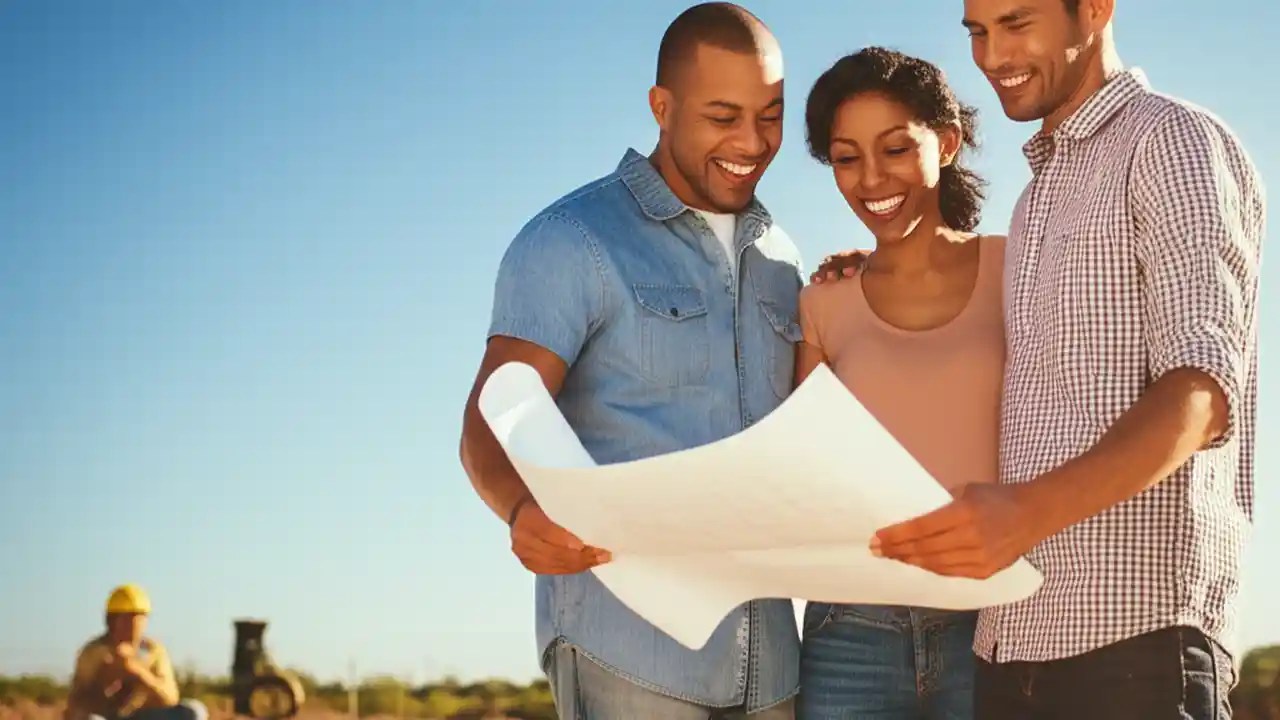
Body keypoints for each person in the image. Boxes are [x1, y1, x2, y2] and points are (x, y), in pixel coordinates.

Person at [809, 1, 1263, 717]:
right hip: (1015, 647)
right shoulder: (1036, 200)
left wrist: (1025, 513)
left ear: (1095, 9)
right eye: (978, 32)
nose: (992, 57)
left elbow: (1204, 390)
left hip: (1135, 643)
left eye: (1017, 24)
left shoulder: (1169, 140)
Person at [458, 3, 804, 718]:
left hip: (771, 666)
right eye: (723, 116)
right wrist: (521, 509)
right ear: (661, 107)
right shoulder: (572, 239)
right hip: (628, 650)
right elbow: (491, 418)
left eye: (769, 116)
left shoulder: (782, 258)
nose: (752, 141)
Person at [792, 47, 998, 720]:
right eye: (846, 158)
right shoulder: (822, 303)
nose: (871, 178)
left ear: (946, 142)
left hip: (991, 620)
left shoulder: (1018, 267)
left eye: (896, 149)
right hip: (850, 630)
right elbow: (799, 467)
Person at [64, 585, 207, 720]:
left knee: (194, 710)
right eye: (124, 619)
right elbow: (74, 707)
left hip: (143, 715)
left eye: (138, 619)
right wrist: (104, 683)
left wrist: (138, 672)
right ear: (110, 621)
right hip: (106, 716)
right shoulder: (93, 652)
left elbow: (170, 699)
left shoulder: (153, 650)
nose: (132, 626)